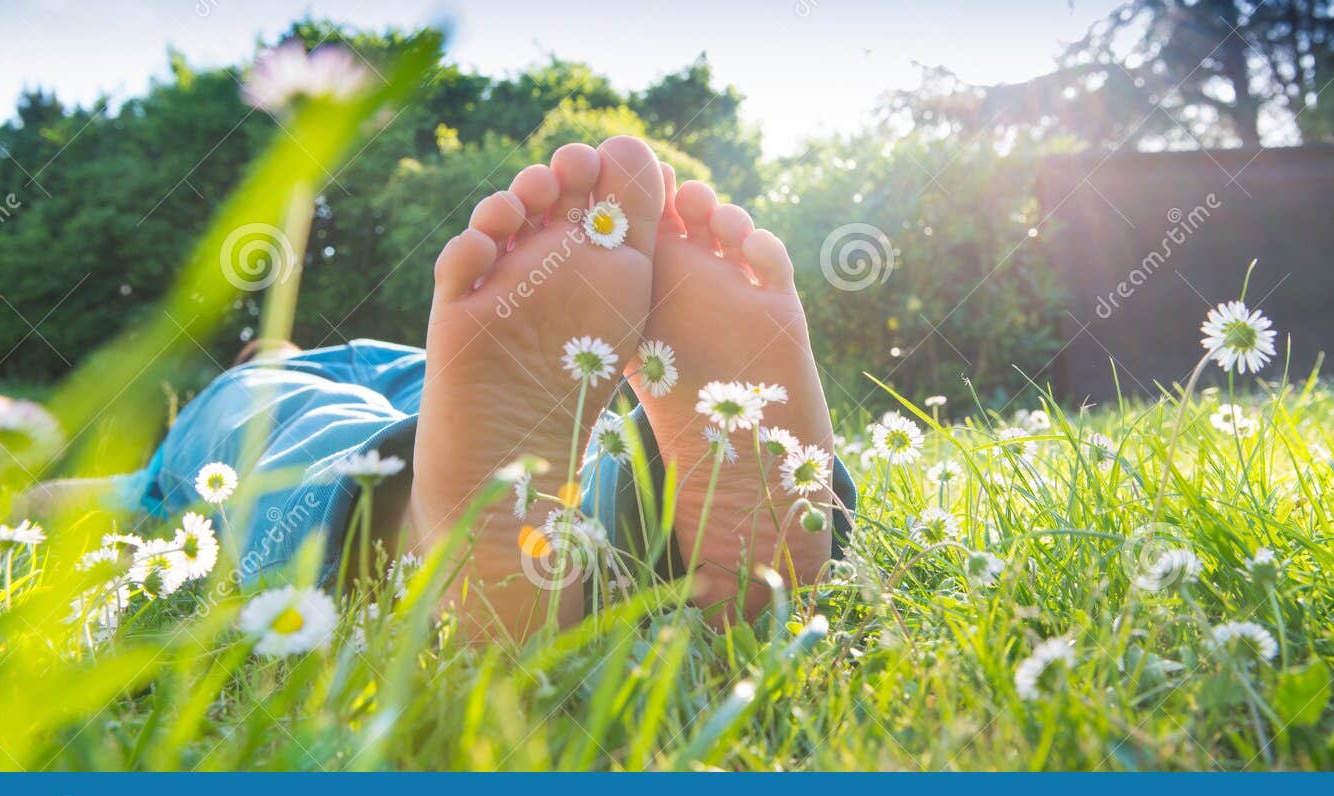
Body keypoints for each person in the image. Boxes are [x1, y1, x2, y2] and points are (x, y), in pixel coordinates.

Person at [64, 136, 853, 641]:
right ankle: (666, 515)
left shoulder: (234, 392)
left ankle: (452, 534)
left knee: (307, 425)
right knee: (463, 420)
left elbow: (79, 500)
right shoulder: (291, 364)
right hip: (405, 380)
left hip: (390, 384)